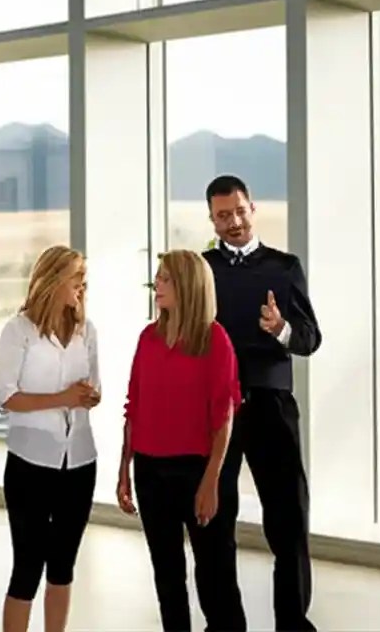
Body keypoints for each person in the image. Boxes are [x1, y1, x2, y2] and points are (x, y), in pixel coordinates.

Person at [201, 175, 322, 631]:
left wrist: (281, 329)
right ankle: (224, 623)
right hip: (216, 411)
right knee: (212, 521)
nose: (232, 222)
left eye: (239, 211)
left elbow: (310, 338)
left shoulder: (285, 266)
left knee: (289, 520)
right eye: (222, 215)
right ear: (211, 218)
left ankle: (293, 622)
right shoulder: (202, 267)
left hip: (272, 405)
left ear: (254, 208)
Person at [118, 249, 244, 632]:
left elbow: (224, 417)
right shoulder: (148, 338)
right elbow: (133, 408)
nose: (157, 284)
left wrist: (211, 482)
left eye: (165, 278)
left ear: (188, 286)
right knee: (167, 577)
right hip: (150, 470)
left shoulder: (215, 340)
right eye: (157, 277)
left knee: (215, 577)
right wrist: (124, 469)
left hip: (197, 470)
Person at [0, 245, 101, 632]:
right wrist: (62, 399)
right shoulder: (17, 330)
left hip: (81, 463)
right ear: (53, 280)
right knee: (27, 566)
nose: (82, 288)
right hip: (29, 466)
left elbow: (94, 391)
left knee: (63, 565)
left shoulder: (87, 331)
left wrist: (90, 396)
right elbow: (4, 396)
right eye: (77, 279)